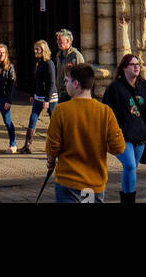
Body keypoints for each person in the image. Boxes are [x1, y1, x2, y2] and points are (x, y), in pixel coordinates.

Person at [45, 62, 125, 202]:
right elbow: (119, 147)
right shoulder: (105, 112)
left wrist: (51, 162)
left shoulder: (61, 110)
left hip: (69, 181)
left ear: (76, 84)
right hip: (95, 182)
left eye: (67, 81)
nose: (65, 84)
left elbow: (53, 146)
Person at [102, 53, 146, 203]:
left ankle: (127, 194)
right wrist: (115, 129)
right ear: (124, 68)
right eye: (133, 64)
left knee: (131, 168)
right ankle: (128, 200)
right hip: (122, 136)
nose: (136, 67)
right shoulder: (115, 88)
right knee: (130, 165)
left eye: (138, 64)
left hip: (140, 135)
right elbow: (107, 110)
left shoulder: (144, 86)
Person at [20, 39, 58, 153]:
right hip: (38, 96)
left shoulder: (49, 63)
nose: (35, 51)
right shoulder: (38, 62)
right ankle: (27, 146)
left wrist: (47, 100)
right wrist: (32, 93)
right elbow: (35, 80)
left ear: (44, 50)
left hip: (50, 97)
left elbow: (52, 82)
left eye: (38, 49)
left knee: (54, 120)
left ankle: (57, 145)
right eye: (35, 49)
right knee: (33, 118)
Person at [53, 29, 84, 102]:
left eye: (60, 40)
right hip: (61, 94)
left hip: (71, 94)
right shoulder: (58, 55)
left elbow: (82, 75)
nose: (57, 42)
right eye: (57, 40)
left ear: (67, 41)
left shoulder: (76, 55)